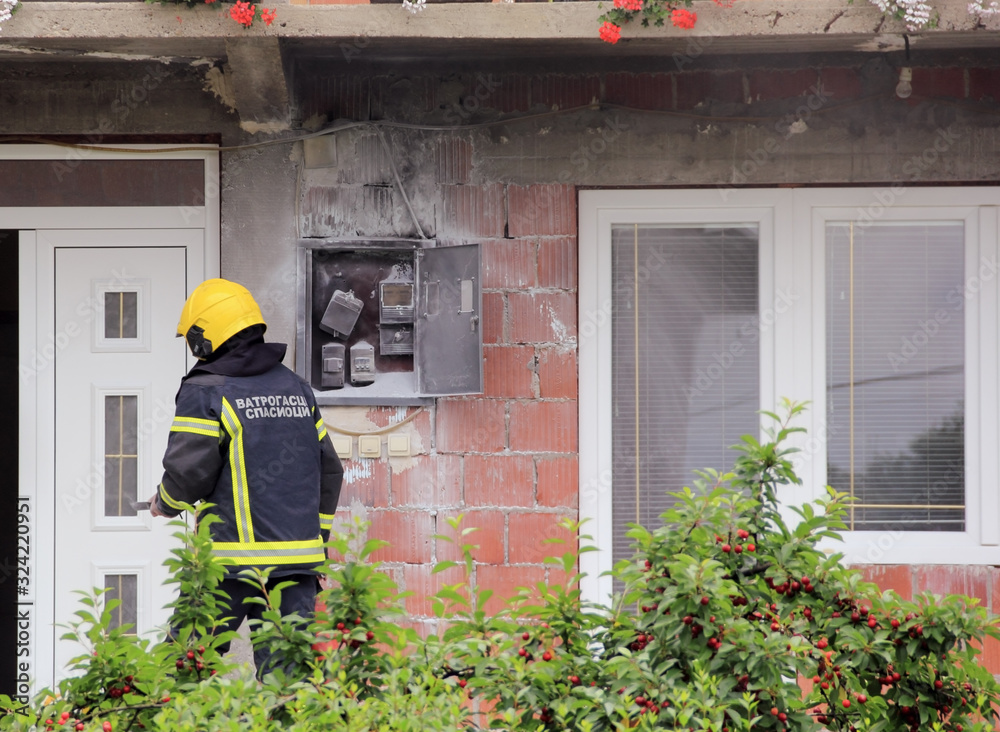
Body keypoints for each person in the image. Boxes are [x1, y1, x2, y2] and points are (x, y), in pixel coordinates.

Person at [148, 278, 344, 674]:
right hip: (297, 569)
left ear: (206, 337)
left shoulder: (207, 390)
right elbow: (330, 471)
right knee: (289, 686)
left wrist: (165, 502)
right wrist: (314, 536)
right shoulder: (297, 389)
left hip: (229, 565)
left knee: (180, 670)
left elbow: (189, 473)